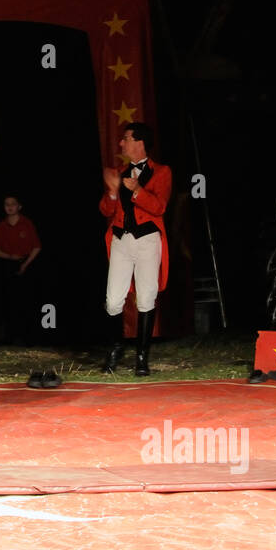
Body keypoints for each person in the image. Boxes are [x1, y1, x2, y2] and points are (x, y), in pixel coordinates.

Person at [99, 123, 171, 377]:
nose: (121, 143)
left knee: (146, 296)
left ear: (139, 142)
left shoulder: (161, 172)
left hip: (147, 240)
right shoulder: (119, 172)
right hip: (121, 239)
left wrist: (138, 190)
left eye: (126, 139)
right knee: (113, 299)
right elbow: (106, 211)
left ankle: (142, 356)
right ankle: (116, 347)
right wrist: (111, 193)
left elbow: (159, 207)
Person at [0, 195, 41, 345]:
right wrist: (10, 257)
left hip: (27, 263)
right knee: (9, 302)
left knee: (27, 300)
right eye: (7, 204)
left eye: (13, 204)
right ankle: (10, 337)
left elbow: (37, 247)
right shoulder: (1, 226)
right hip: (8, 265)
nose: (10, 206)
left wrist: (25, 265)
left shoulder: (27, 224)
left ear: (19, 206)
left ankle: (29, 337)